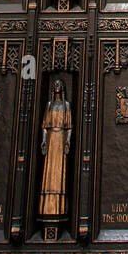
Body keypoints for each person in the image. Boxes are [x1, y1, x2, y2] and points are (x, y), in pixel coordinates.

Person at [38, 78, 73, 217]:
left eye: (59, 84)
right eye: (55, 84)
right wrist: (44, 140)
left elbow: (69, 126)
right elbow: (45, 126)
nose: (57, 86)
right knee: (49, 169)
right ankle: (47, 206)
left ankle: (60, 205)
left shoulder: (66, 105)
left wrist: (67, 141)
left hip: (61, 139)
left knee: (60, 170)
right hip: (52, 139)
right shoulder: (49, 105)